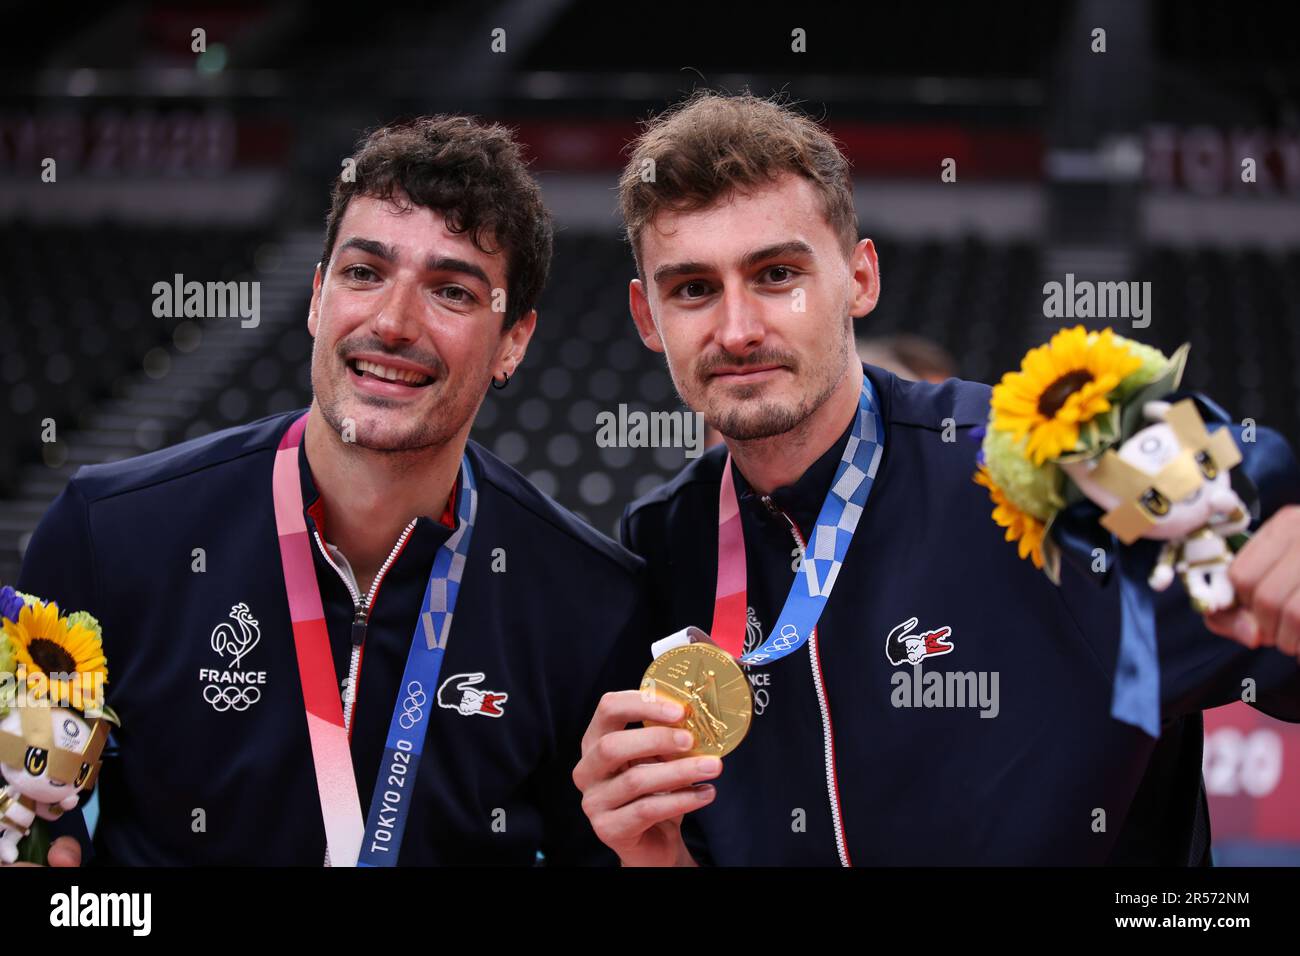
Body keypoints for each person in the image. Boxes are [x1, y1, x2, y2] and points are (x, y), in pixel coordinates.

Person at [572, 92, 1300, 866]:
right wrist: (655, 858)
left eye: (777, 273)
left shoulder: (1036, 461)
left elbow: (1238, 490)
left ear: (860, 278)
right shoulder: (663, 539)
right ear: (647, 317)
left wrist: (1277, 526)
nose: (738, 328)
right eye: (692, 289)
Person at [15, 116, 648, 865]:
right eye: (364, 273)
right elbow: (39, 829)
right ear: (317, 298)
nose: (392, 322)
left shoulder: (593, 604)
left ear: (513, 340)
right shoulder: (105, 533)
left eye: (450, 290)